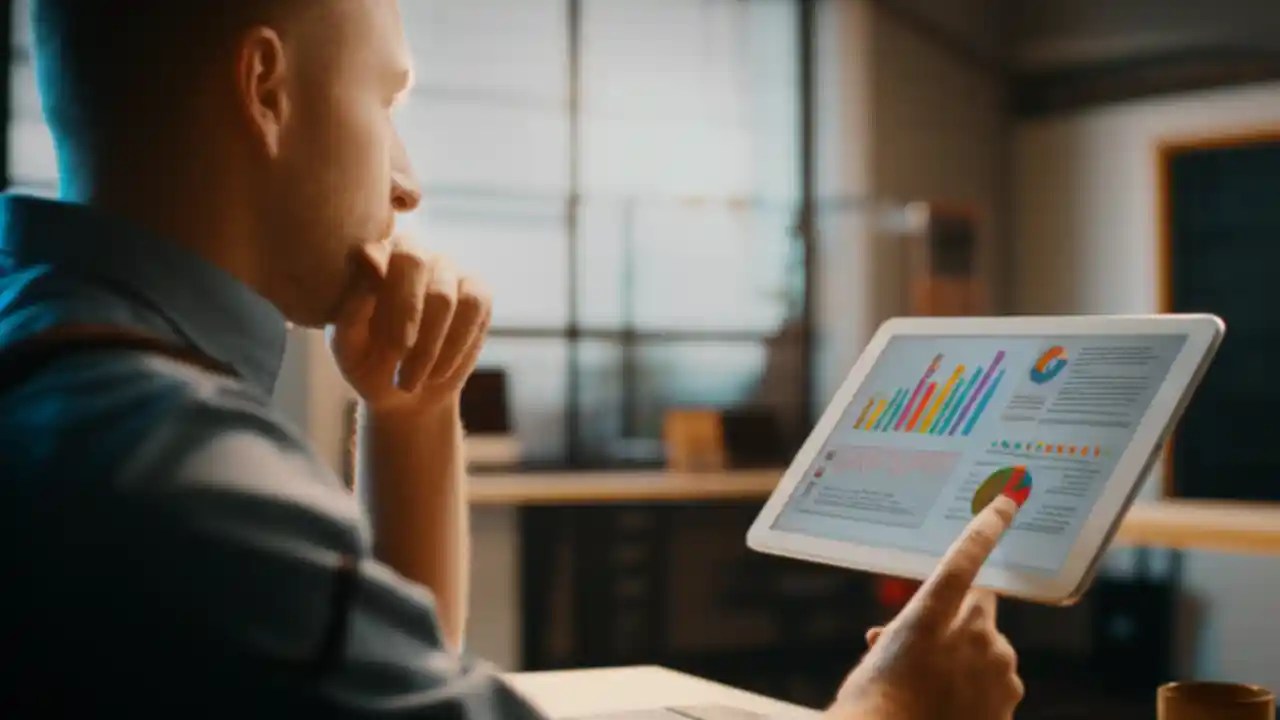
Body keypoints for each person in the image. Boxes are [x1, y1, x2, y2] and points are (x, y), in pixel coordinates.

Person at [0, 1, 1024, 717]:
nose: (407, 182)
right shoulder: (177, 478)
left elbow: (389, 681)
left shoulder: (61, 369)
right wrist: (894, 707)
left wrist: (408, 413)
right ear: (265, 88)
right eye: (385, 103)